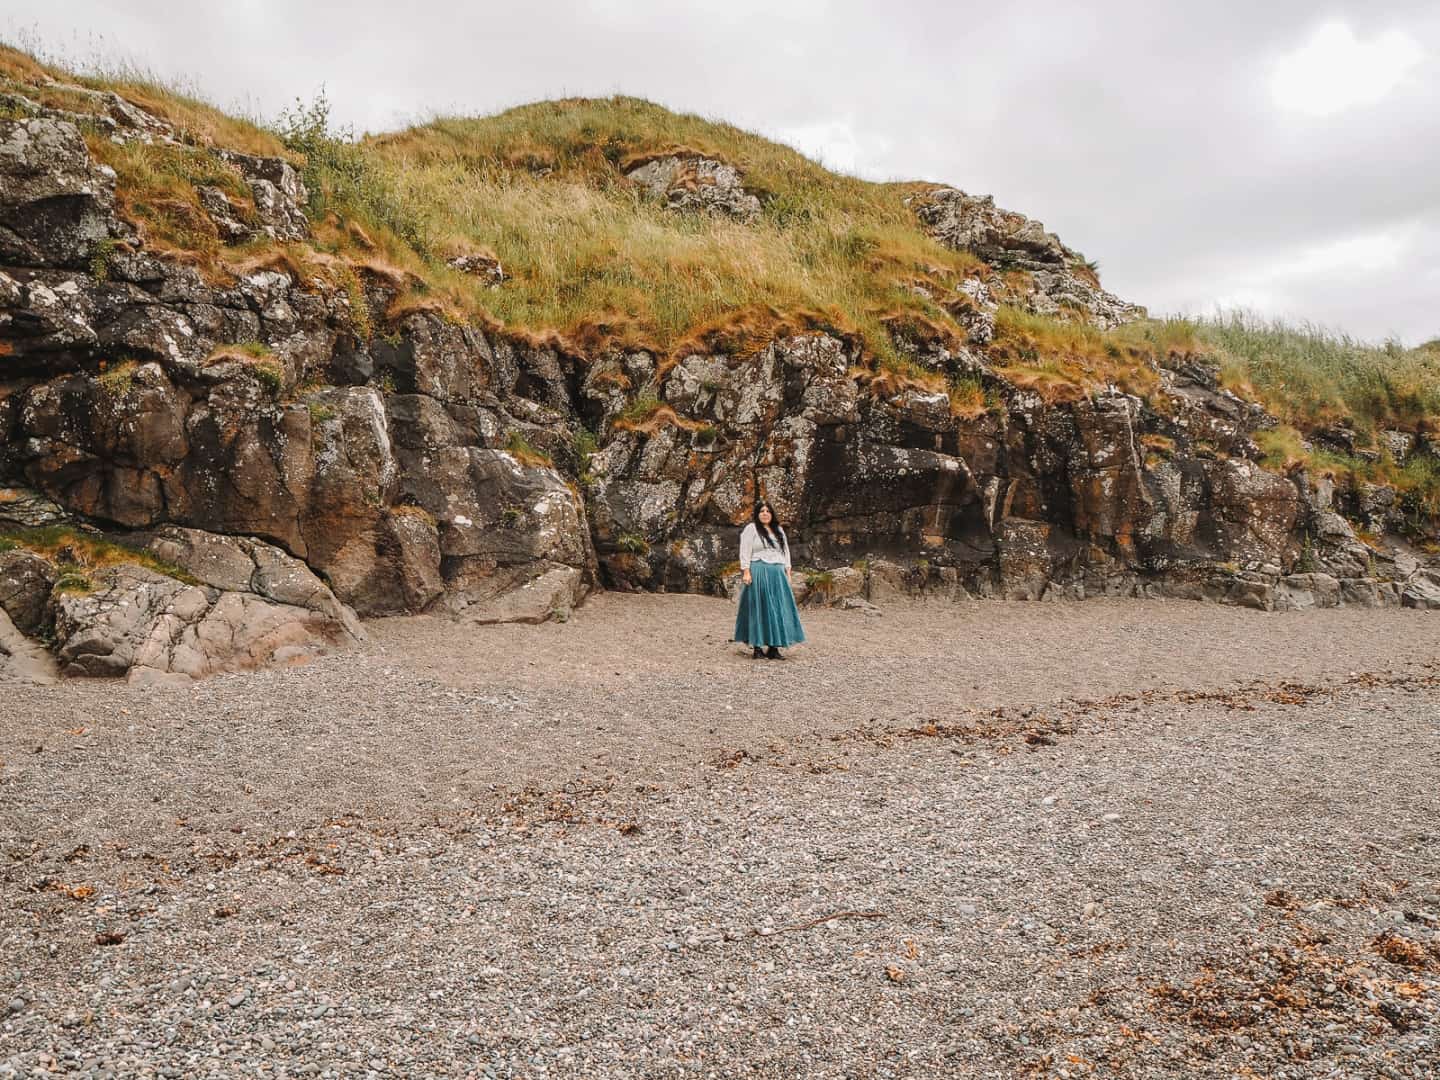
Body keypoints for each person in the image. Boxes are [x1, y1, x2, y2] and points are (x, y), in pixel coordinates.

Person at [733, 501, 805, 660]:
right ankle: (757, 647)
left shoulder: (778, 530)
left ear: (772, 514)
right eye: (761, 511)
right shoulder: (751, 529)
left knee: (777, 607)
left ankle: (774, 647)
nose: (765, 513)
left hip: (777, 573)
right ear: (757, 514)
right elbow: (745, 550)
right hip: (759, 570)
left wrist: (788, 571)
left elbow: (785, 551)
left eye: (768, 511)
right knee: (759, 607)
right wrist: (746, 571)